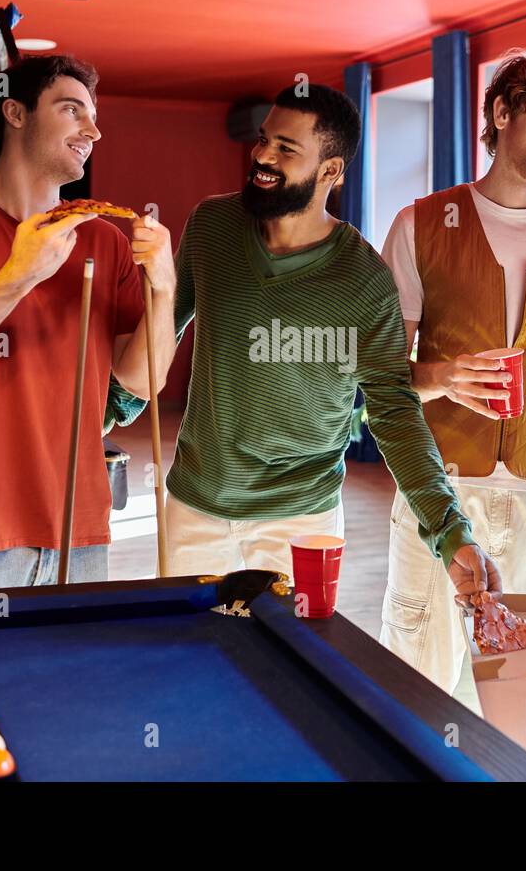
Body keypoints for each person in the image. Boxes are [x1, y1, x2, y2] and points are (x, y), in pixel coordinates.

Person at [160, 83, 498, 607]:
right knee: (179, 663)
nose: (263, 156)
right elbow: (161, 331)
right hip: (193, 505)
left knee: (284, 676)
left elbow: (394, 412)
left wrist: (449, 530)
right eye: (264, 140)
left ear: (330, 172)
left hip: (298, 519)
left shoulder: (363, 281)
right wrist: (109, 408)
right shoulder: (212, 226)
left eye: (286, 149)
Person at [379, 49, 526, 702]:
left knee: (525, 690)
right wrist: (445, 376)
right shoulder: (421, 225)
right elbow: (382, 379)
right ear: (500, 113)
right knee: (416, 683)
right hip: (441, 487)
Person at [0, 55, 177, 592]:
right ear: (15, 113)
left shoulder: (105, 240)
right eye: (72, 110)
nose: (93, 130)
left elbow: (142, 381)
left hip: (81, 531)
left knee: (67, 680)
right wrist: (19, 274)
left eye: (92, 115)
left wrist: (164, 287)